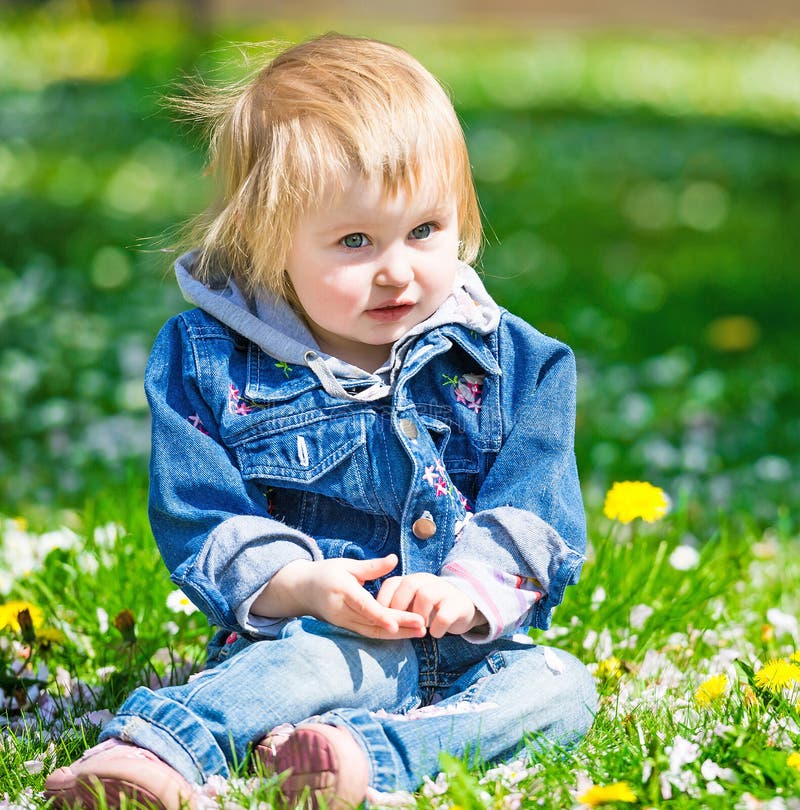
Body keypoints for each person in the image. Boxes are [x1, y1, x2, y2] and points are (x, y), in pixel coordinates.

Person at [45, 32, 597, 810]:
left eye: (425, 231)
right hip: (315, 642)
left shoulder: (516, 364)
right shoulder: (210, 363)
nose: (398, 269)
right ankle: (159, 751)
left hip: (472, 651)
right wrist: (301, 586)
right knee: (309, 669)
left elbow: (536, 506)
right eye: (354, 241)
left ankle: (357, 760)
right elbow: (201, 515)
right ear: (269, 246)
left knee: (563, 688)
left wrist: (469, 594)